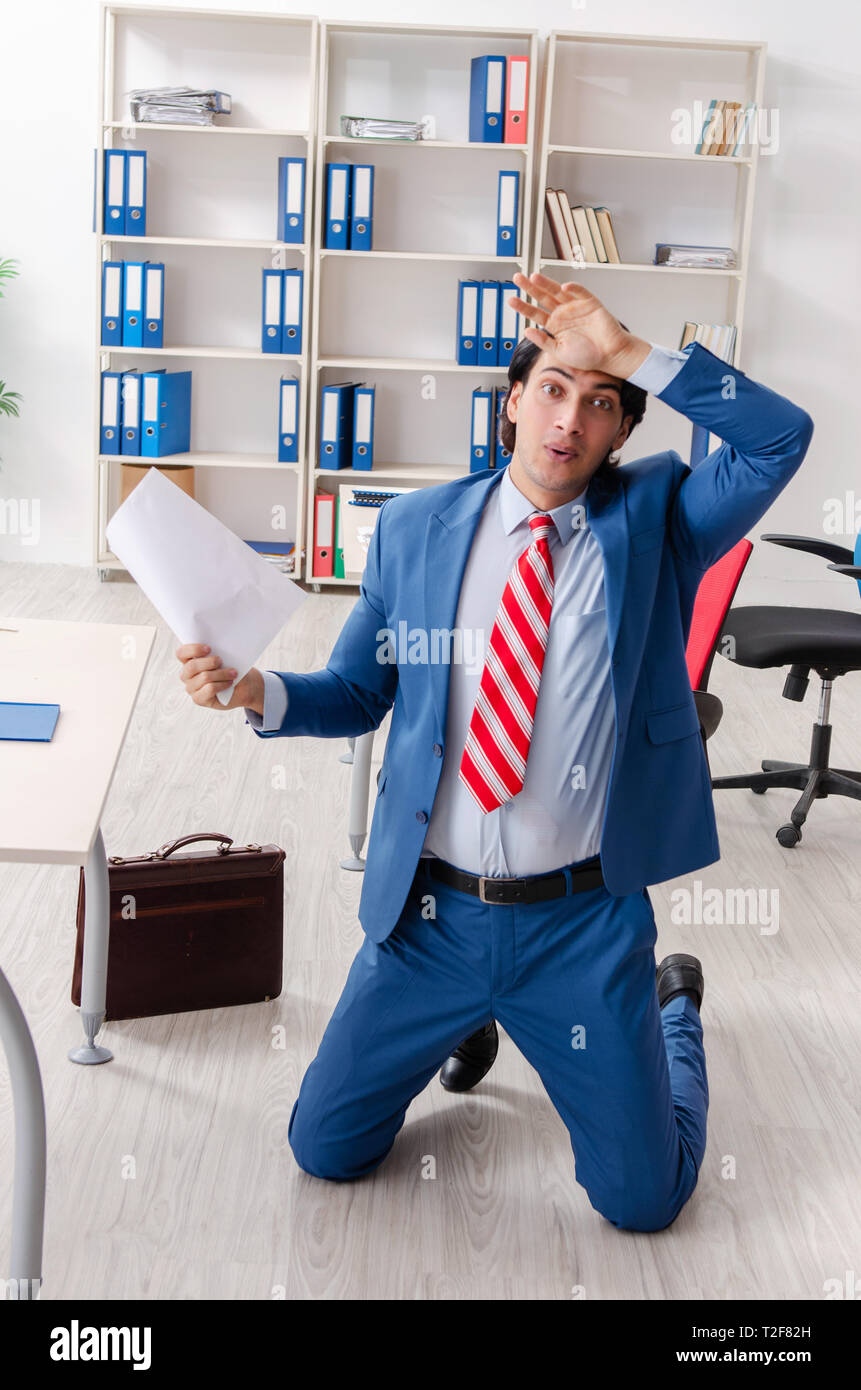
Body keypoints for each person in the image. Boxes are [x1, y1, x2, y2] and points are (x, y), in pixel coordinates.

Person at [176, 273, 813, 1231]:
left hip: (582, 921)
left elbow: (779, 436)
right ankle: (468, 1012)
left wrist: (630, 349)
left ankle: (670, 1009)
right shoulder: (413, 529)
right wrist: (253, 691)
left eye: (601, 404)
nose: (571, 419)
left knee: (643, 1203)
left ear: (621, 434)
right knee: (324, 1151)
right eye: (553, 388)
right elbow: (357, 693)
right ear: (511, 402)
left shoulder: (658, 522)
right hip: (432, 920)